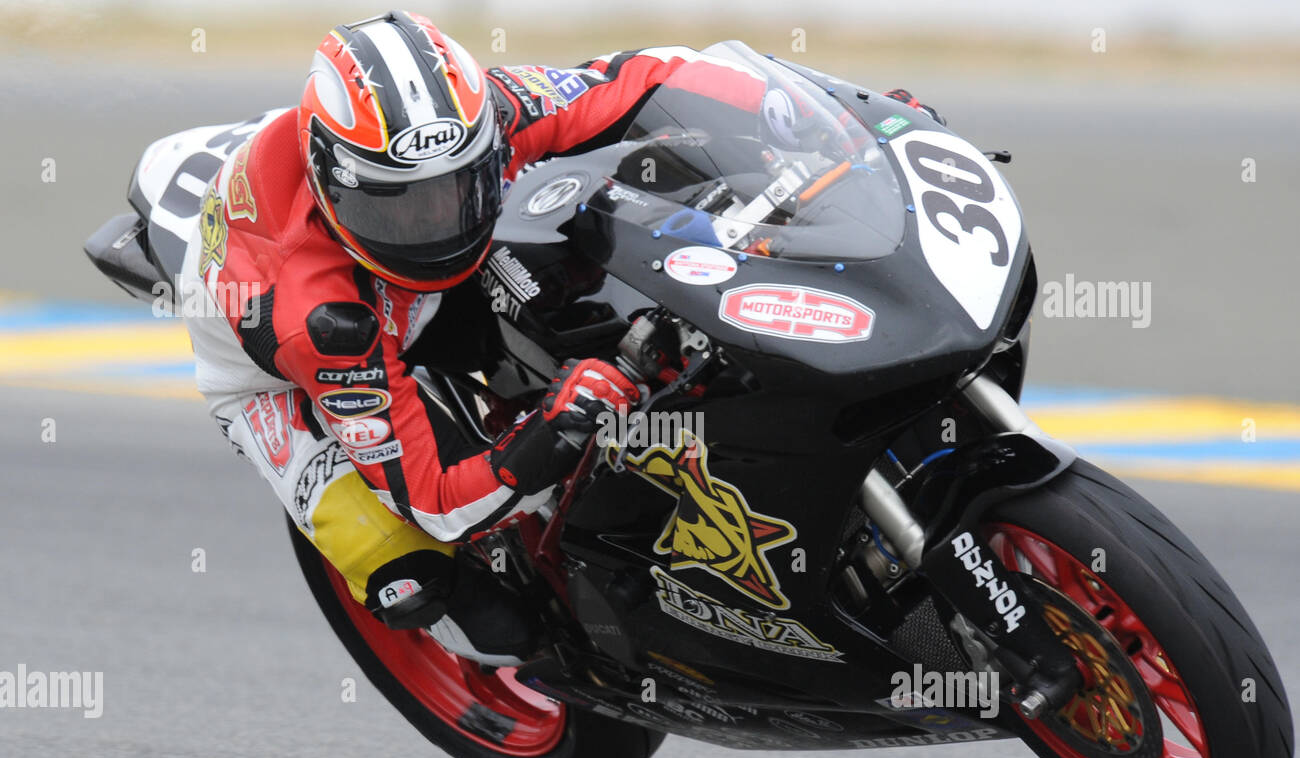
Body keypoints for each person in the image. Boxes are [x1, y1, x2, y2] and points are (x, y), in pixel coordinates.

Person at [180, 9, 942, 662]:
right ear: (331, 181)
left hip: (414, 289)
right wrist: (554, 428)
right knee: (430, 586)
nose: (435, 222)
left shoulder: (495, 111)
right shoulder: (320, 321)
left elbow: (653, 77)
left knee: (616, 224)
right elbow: (438, 502)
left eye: (458, 189)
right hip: (281, 369)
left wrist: (842, 123)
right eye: (400, 208)